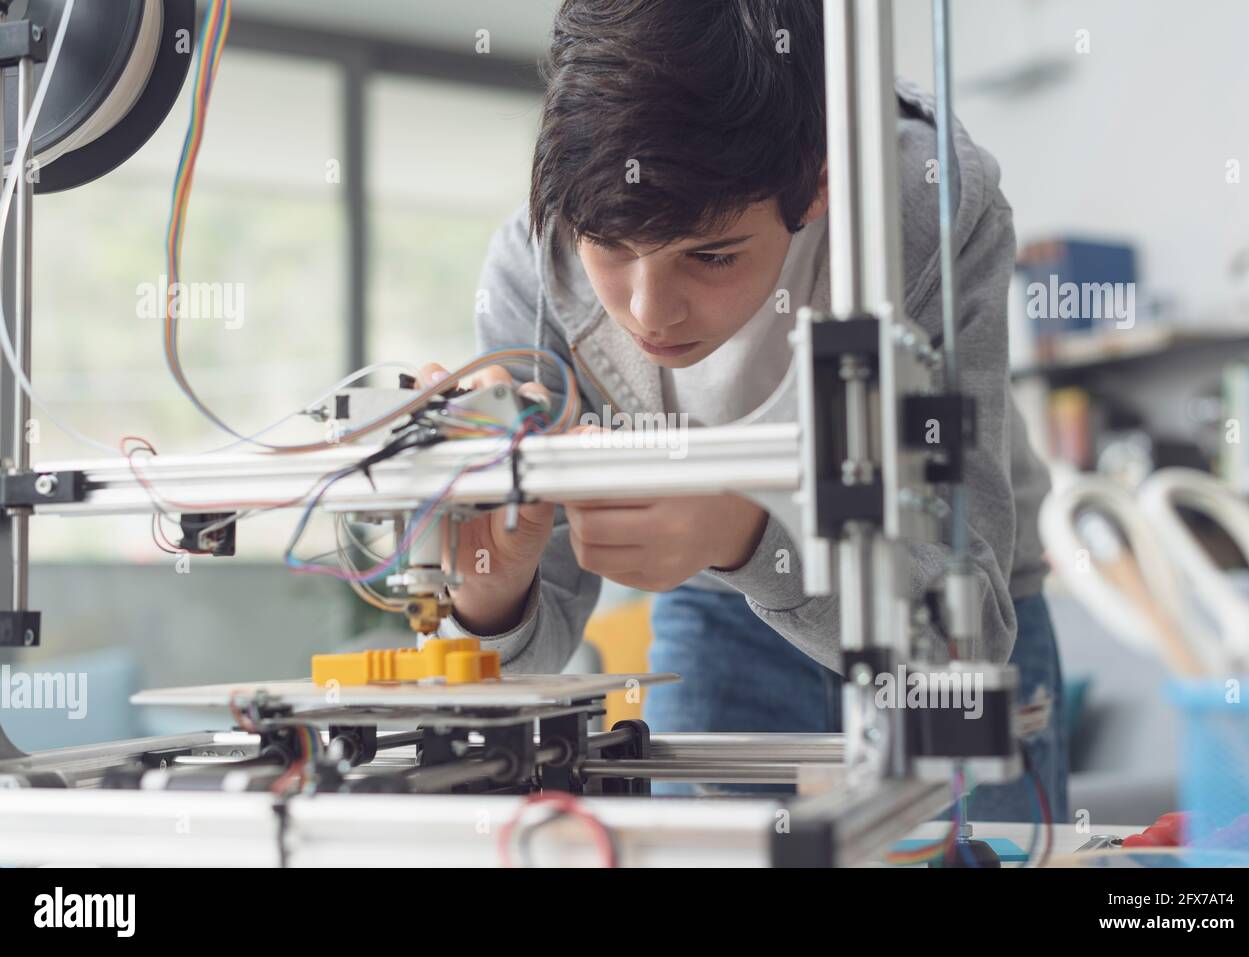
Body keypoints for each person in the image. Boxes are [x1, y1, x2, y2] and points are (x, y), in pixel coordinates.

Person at [419, 0, 1066, 823]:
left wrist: (744, 531)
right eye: (611, 249)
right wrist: (491, 593)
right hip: (720, 605)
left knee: (987, 844)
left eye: (712, 254)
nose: (651, 314)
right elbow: (530, 654)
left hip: (937, 592)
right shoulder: (534, 266)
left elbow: (960, 643)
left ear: (823, 178)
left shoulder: (933, 204)